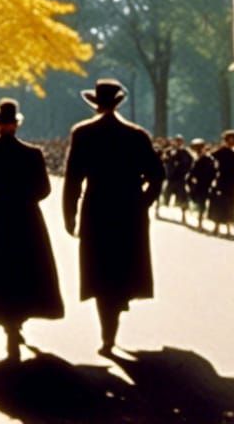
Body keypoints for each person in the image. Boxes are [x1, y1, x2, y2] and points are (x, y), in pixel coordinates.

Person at [63, 79, 164, 356]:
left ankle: (107, 331)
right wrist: (142, 203)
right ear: (118, 102)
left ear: (95, 103)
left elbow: (73, 179)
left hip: (97, 209)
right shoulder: (137, 134)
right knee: (125, 266)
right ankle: (117, 311)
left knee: (99, 270)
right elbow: (157, 176)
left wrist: (69, 215)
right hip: (129, 209)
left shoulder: (83, 133)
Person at [0, 99, 63, 361]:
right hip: (26, 219)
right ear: (16, 124)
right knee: (28, 271)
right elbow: (44, 189)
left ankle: (7, 322)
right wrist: (23, 200)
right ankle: (18, 319)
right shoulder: (33, 153)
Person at [207, 130, 234, 237]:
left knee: (229, 204)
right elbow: (210, 159)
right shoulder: (221, 151)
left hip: (230, 182)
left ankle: (228, 229)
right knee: (218, 204)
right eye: (232, 139)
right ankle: (217, 227)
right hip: (221, 180)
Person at [185, 139, 214, 231]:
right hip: (200, 184)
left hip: (203, 184)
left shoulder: (206, 159)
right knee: (199, 202)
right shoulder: (199, 159)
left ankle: (200, 222)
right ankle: (198, 221)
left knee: (201, 203)